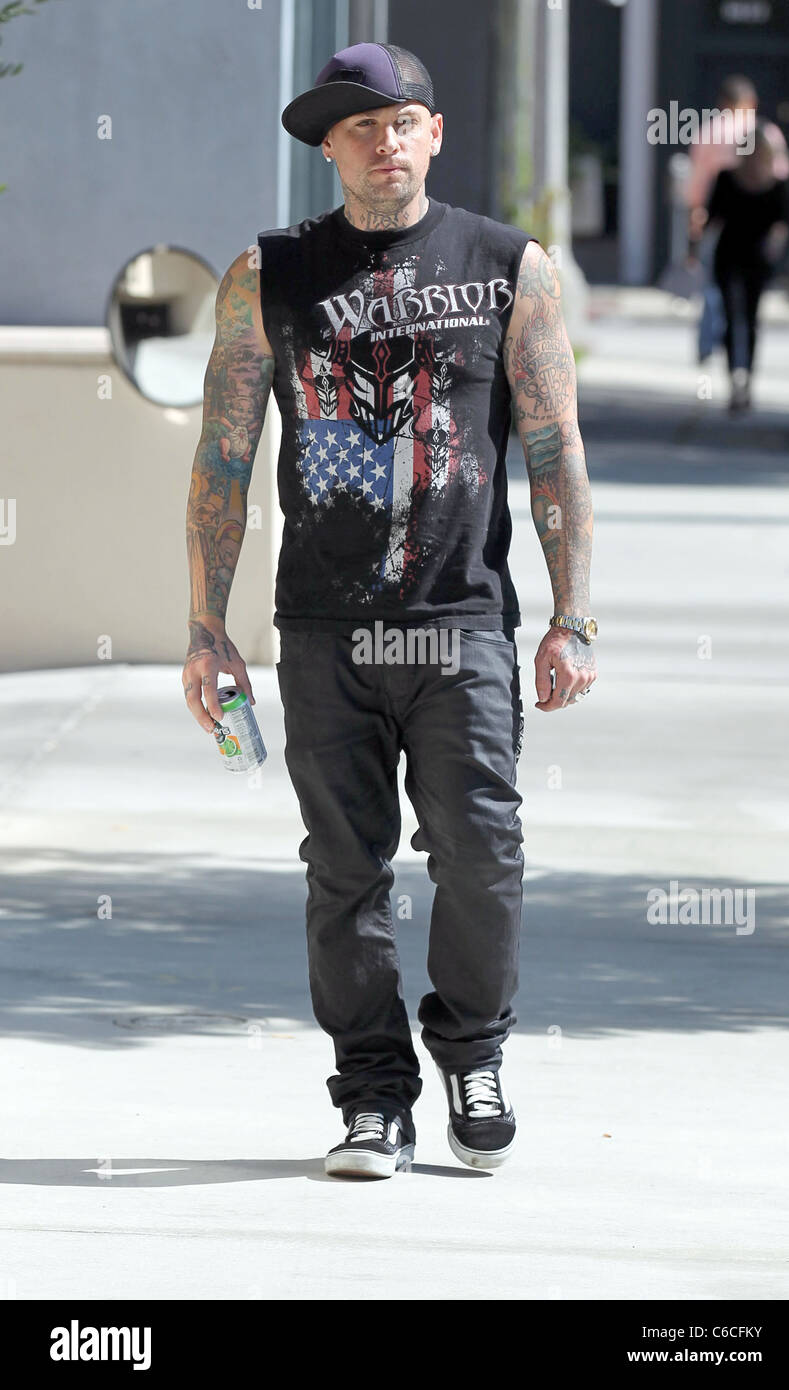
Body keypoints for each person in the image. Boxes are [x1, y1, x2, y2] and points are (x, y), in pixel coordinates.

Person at [181, 42, 597, 1179]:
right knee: (344, 869)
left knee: (482, 850)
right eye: (358, 127)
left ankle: (473, 1054)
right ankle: (371, 1097)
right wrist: (207, 628)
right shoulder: (267, 275)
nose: (383, 142)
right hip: (324, 629)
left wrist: (572, 616)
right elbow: (223, 457)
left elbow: (555, 446)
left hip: (461, 620)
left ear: (435, 133)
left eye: (401, 121)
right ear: (329, 147)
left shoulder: (508, 267)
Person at [684, 75, 789, 365]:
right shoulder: (767, 133)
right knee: (751, 307)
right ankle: (744, 364)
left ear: (723, 103)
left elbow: (697, 183)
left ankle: (710, 343)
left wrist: (695, 220)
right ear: (750, 103)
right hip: (758, 230)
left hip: (719, 223)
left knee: (713, 289)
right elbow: (780, 178)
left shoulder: (711, 131)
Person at [705, 123, 789, 412]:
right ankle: (734, 379)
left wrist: (775, 244)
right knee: (731, 318)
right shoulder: (727, 178)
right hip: (728, 257)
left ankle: (747, 379)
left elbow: (782, 222)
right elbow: (712, 217)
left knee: (751, 319)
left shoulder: (776, 185)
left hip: (757, 261)